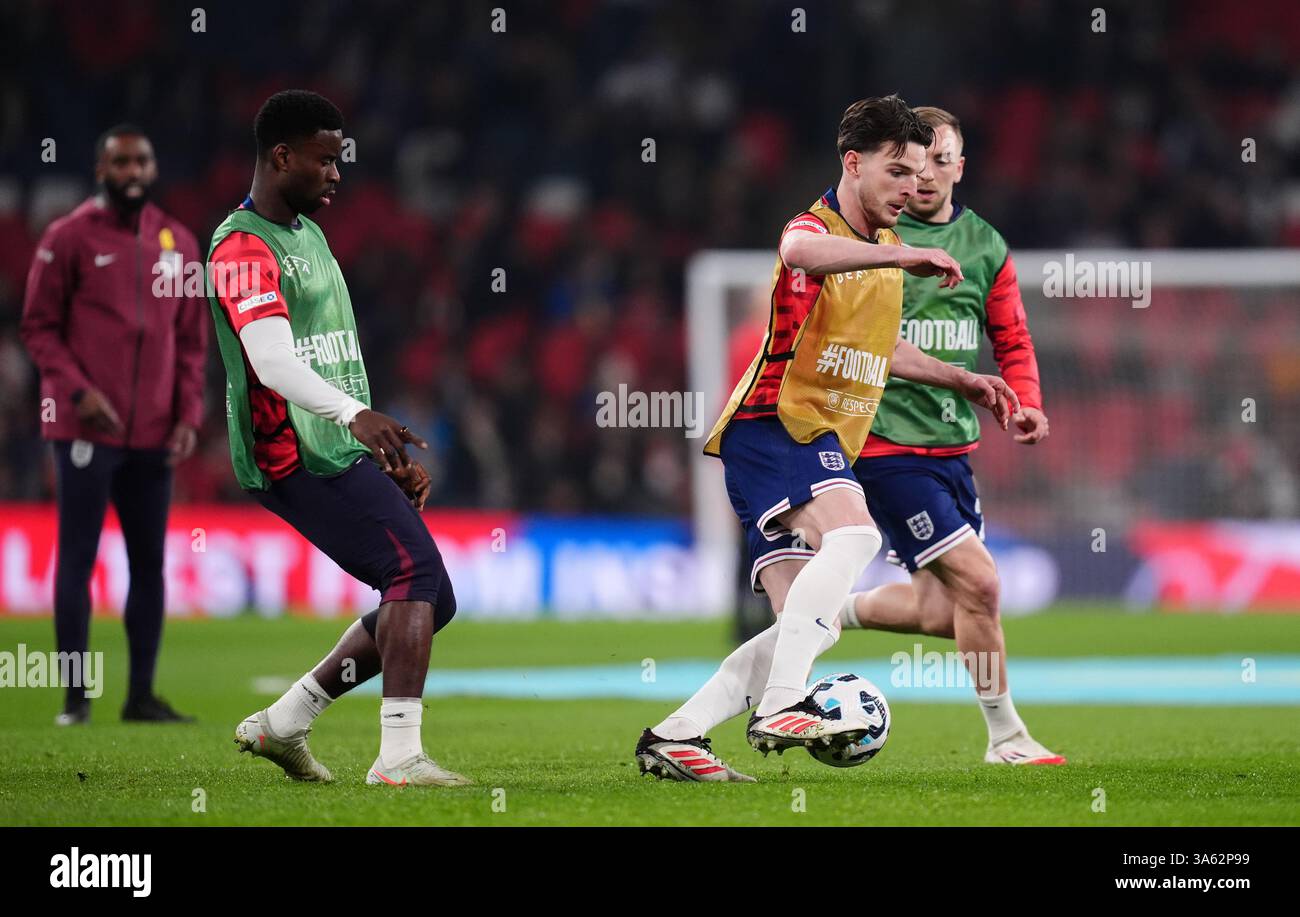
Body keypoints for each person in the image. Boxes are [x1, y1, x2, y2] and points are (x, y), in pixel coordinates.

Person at [636, 96, 1017, 781]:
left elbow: (883, 345)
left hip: (804, 437)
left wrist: (960, 379)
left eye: (922, 170)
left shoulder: (886, 248)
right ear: (853, 163)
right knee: (859, 535)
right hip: (778, 423)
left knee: (802, 629)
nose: (913, 185)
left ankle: (675, 734)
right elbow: (797, 249)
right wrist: (905, 263)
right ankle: (781, 705)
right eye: (896, 170)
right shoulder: (819, 227)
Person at [208, 90, 466, 787]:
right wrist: (356, 416)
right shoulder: (240, 248)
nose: (336, 174)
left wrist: (368, 447)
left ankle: (285, 720)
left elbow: (326, 352)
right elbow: (271, 360)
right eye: (324, 160)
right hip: (288, 453)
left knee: (429, 597)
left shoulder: (309, 235)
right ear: (281, 156)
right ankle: (398, 757)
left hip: (332, 446)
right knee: (412, 574)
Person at [841, 107, 1064, 765]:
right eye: (916, 163)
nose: (928, 175)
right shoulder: (877, 240)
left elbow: (1013, 339)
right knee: (983, 583)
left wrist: (1026, 403)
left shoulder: (986, 246)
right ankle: (1007, 736)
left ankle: (825, 609)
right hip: (886, 446)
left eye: (943, 160)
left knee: (945, 611)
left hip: (952, 450)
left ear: (961, 167)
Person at [21, 124, 206, 725]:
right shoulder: (67, 237)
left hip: (153, 432)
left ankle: (141, 697)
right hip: (84, 430)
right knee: (77, 559)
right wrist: (77, 393)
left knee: (148, 563)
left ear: (153, 169)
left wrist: (188, 413)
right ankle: (76, 699)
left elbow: (191, 340)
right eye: (121, 162)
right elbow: (38, 328)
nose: (132, 172)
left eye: (142, 162)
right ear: (101, 170)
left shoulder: (179, 243)